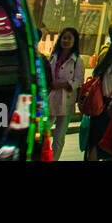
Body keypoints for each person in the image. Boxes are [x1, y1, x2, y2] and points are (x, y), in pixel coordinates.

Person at [84, 35, 112, 160]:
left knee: (94, 141)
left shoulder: (103, 64)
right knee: (109, 142)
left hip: (97, 104)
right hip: (110, 106)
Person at [47, 27, 83, 159]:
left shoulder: (78, 60)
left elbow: (79, 80)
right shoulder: (53, 56)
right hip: (51, 98)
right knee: (44, 131)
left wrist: (63, 85)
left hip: (66, 99)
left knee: (59, 136)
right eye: (64, 37)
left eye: (69, 38)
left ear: (74, 41)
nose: (66, 41)